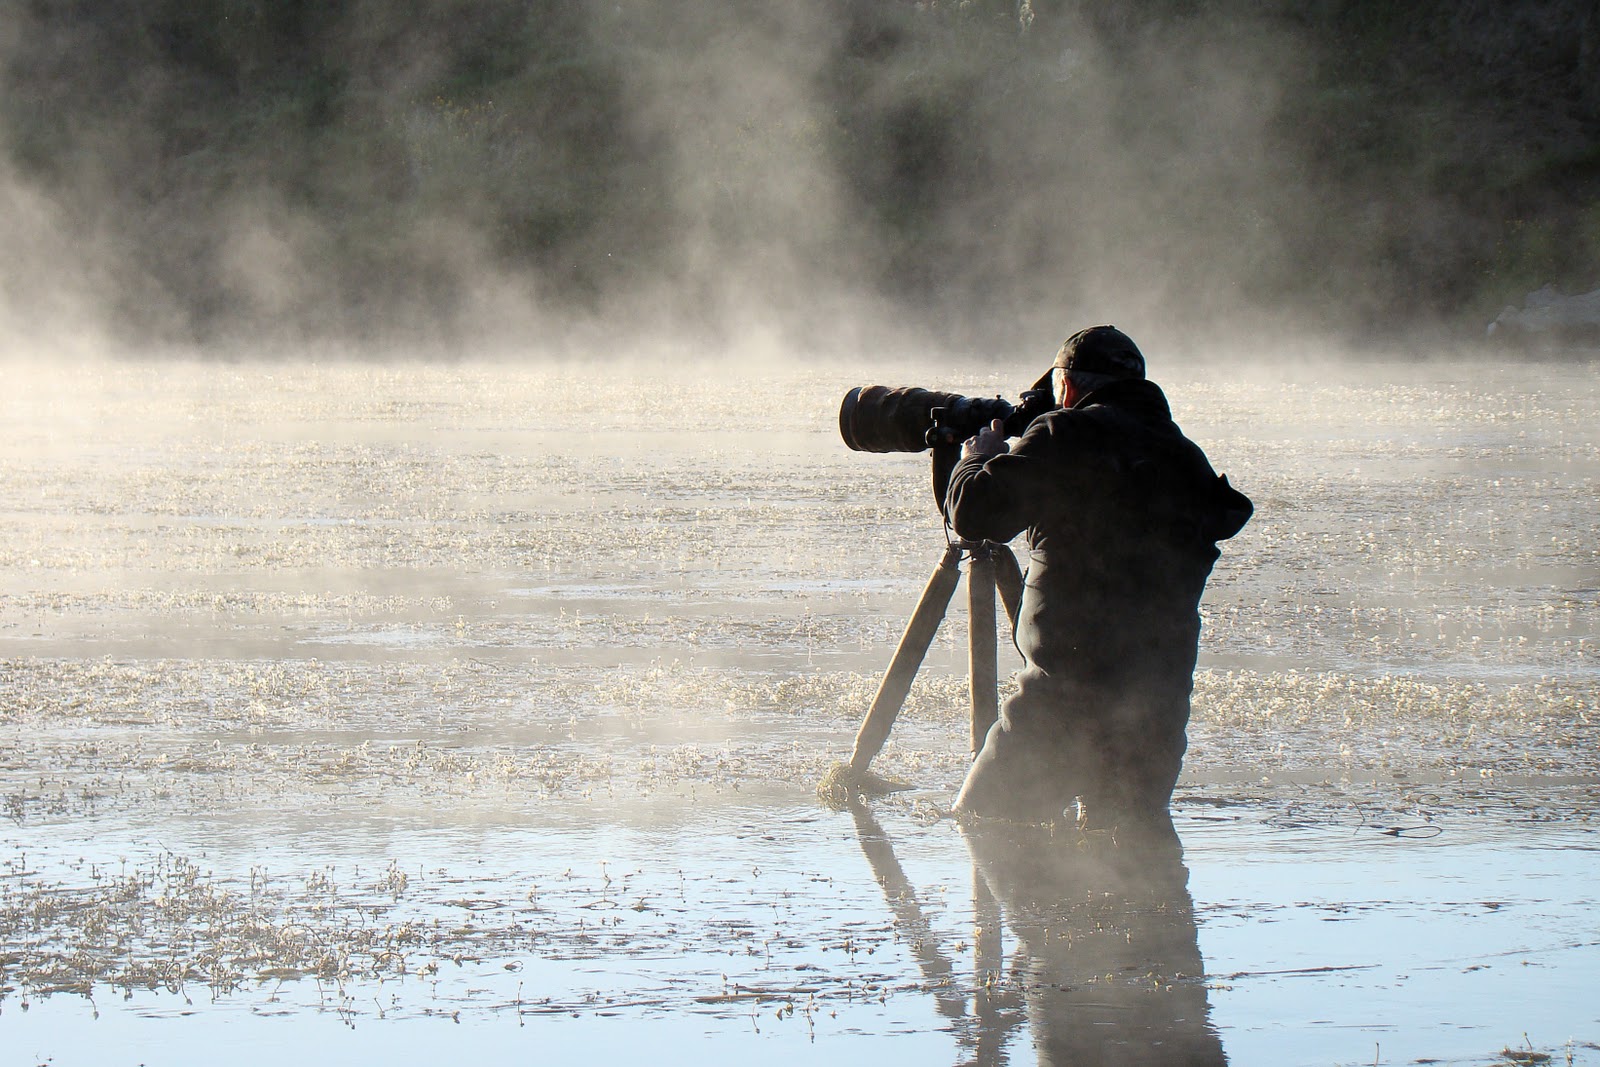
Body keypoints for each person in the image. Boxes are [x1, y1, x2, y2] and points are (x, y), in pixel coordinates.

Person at [944, 325, 1252, 827]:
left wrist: (975, 460)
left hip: (1062, 703)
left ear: (1067, 386)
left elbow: (976, 513)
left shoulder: (1066, 434)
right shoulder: (1183, 455)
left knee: (986, 827)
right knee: (1137, 849)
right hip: (1157, 707)